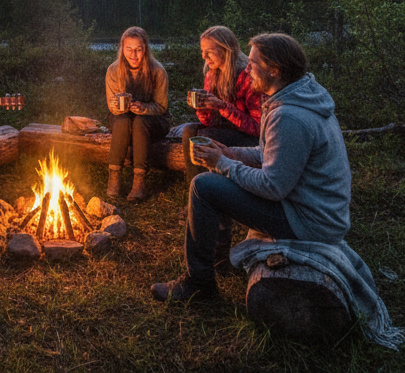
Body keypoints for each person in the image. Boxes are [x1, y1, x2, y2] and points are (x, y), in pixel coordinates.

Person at [152, 32, 350, 303]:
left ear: (274, 70)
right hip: (310, 207)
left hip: (310, 221)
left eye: (254, 63)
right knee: (213, 179)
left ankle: (199, 286)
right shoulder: (289, 97)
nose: (246, 68)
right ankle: (214, 261)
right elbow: (268, 152)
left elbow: (273, 186)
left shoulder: (290, 116)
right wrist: (231, 152)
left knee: (203, 188)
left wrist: (223, 164)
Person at [180, 25, 262, 184]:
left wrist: (223, 107)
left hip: (250, 139)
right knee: (189, 131)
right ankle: (194, 185)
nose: (204, 56)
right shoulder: (212, 74)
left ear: (226, 49)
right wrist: (202, 108)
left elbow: (258, 128)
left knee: (207, 137)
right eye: (202, 51)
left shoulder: (247, 77)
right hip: (227, 128)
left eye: (209, 51)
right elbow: (208, 122)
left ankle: (214, 186)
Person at [105, 26, 169, 202]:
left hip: (153, 121)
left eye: (138, 49)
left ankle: (139, 181)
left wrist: (145, 108)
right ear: (122, 49)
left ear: (145, 50)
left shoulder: (157, 71)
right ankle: (114, 178)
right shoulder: (113, 71)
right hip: (124, 120)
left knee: (140, 122)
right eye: (129, 49)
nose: (133, 55)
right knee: (122, 120)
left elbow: (161, 106)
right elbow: (112, 108)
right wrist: (120, 106)